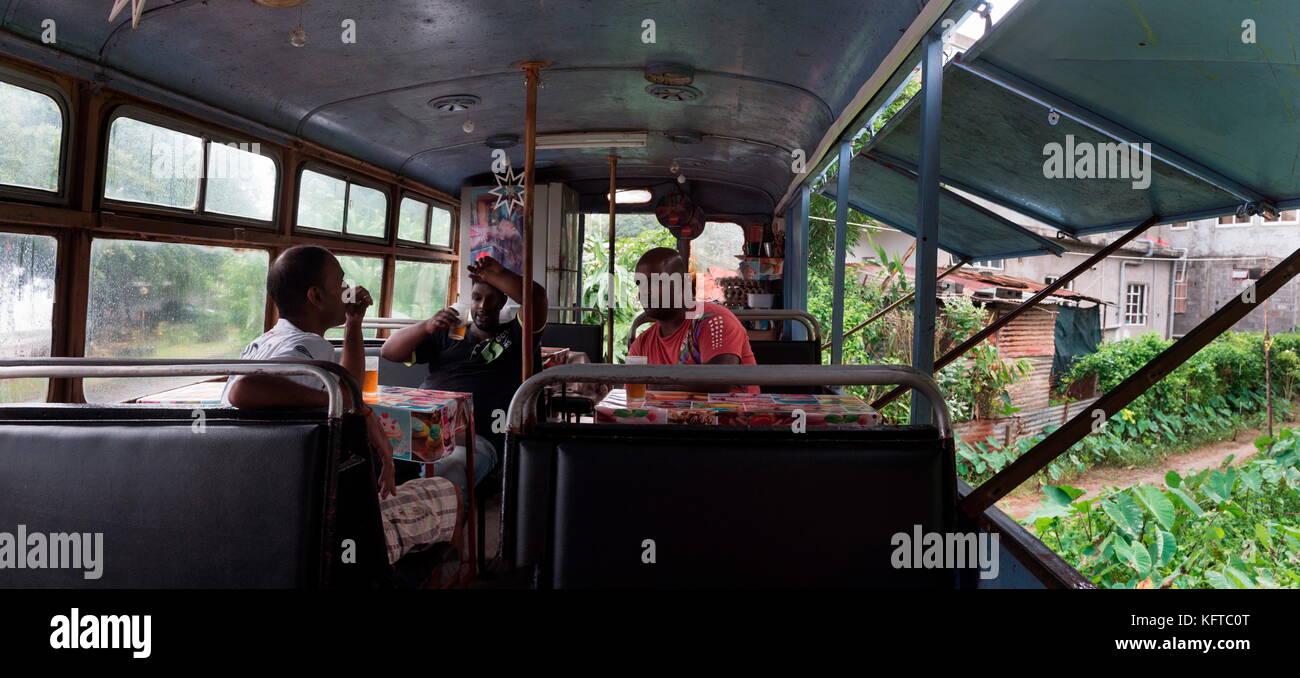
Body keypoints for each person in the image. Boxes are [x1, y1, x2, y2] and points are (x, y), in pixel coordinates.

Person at [223, 245, 458, 565]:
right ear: (317, 297)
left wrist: (354, 324)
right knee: (450, 492)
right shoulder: (302, 347)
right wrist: (354, 407)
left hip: (261, 508)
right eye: (342, 284)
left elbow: (348, 384)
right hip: (314, 522)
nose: (349, 291)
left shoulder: (270, 340)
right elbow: (244, 390)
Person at [381, 255, 547, 477]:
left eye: (491, 299)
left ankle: (435, 504)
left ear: (503, 302)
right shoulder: (446, 334)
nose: (483, 306)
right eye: (477, 298)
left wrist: (494, 275)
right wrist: (427, 325)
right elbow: (389, 351)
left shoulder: (516, 337)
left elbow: (536, 298)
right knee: (375, 457)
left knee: (446, 472)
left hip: (476, 437)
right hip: (425, 428)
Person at [628, 247, 759, 394]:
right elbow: (633, 398)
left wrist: (655, 386)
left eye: (656, 282)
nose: (646, 292)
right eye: (640, 284)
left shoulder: (714, 321)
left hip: (735, 415)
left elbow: (720, 383)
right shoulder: (642, 345)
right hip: (673, 416)